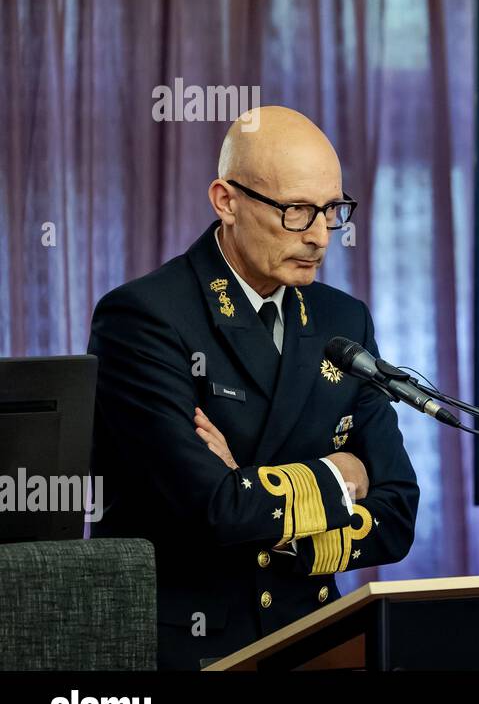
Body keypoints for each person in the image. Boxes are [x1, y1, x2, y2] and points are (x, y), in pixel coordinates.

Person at [88, 106, 418, 670]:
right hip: (191, 646)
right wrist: (342, 475)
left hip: (314, 635)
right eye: (295, 211)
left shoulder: (343, 320)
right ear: (226, 200)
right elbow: (211, 508)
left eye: (331, 211)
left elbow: (397, 515)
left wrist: (249, 488)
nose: (318, 236)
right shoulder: (146, 316)